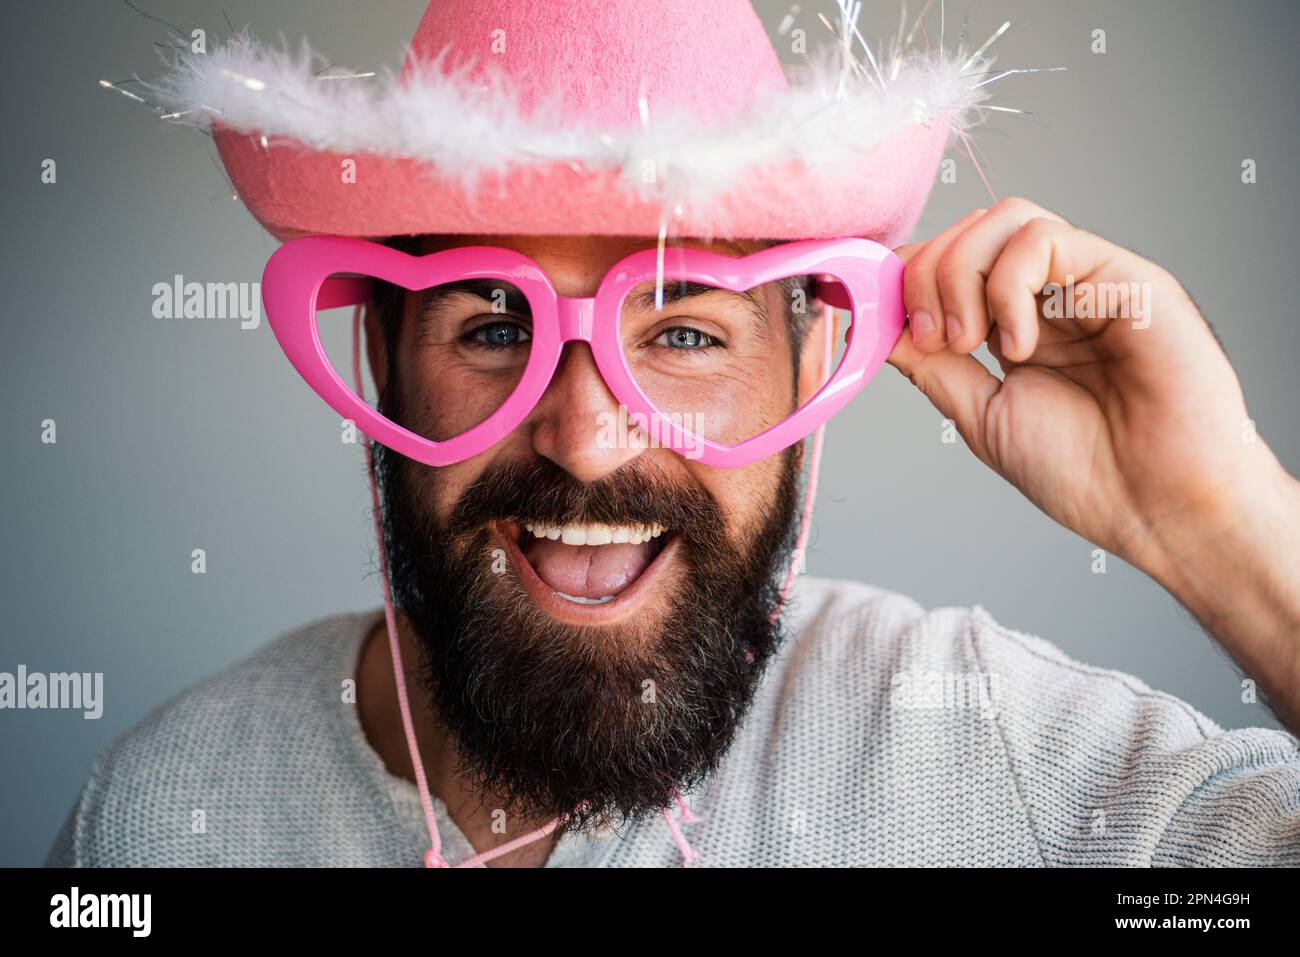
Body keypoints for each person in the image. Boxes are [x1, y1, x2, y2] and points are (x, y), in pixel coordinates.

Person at [48, 0, 1299, 868]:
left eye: (687, 336)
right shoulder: (167, 805)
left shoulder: (984, 750)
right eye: (494, 326)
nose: (587, 441)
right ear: (382, 360)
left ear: (812, 362)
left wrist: (1218, 526)